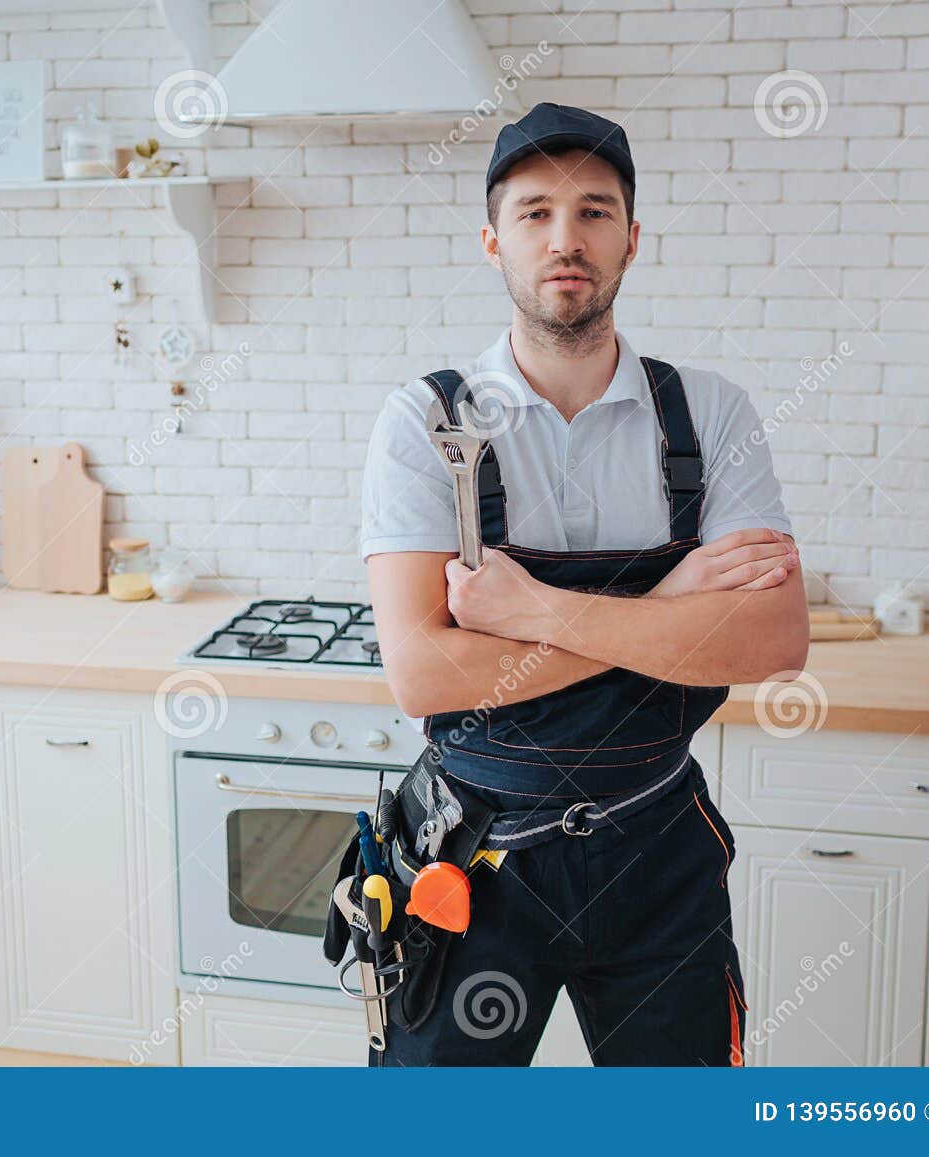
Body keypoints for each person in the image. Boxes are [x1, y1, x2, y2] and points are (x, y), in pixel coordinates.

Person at [358, 103, 810, 1066]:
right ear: (492, 241)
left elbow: (771, 641)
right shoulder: (426, 422)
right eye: (534, 214)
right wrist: (666, 610)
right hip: (474, 862)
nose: (566, 239)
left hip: (656, 848)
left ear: (633, 239)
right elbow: (426, 678)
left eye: (596, 211)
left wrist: (534, 612)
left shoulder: (708, 415)